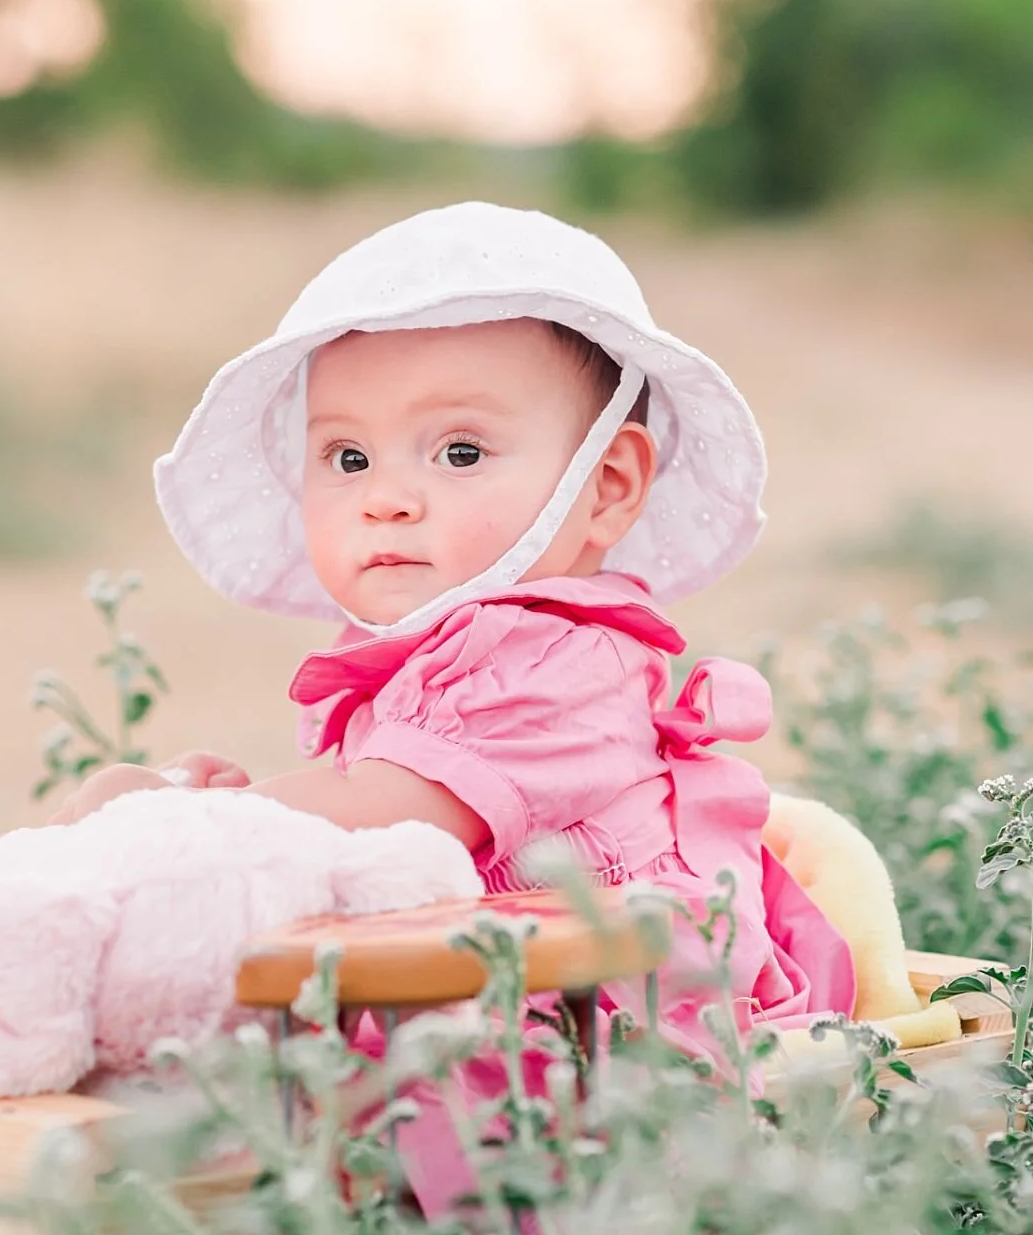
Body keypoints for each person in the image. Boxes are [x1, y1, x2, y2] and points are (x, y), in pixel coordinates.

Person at [59, 202, 854, 1089]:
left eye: (461, 451)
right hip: (481, 1014)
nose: (386, 497)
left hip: (614, 1052)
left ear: (608, 486)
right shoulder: (429, 665)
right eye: (348, 458)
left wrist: (158, 821)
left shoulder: (561, 661)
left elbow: (385, 804)